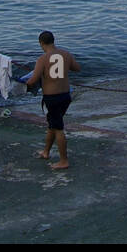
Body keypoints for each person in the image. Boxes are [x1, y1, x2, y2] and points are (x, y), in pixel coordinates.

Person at [21, 31, 81, 169]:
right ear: (53, 41)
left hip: (52, 98)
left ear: (41, 43)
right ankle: (46, 152)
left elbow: (33, 80)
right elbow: (77, 68)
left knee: (58, 128)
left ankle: (64, 161)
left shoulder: (42, 59)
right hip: (65, 96)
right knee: (52, 125)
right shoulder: (66, 54)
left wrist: (22, 84)